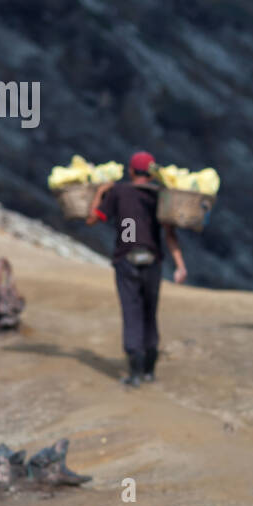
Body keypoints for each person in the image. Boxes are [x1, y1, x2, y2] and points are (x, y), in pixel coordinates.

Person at [87, 151, 188, 386]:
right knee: (150, 313)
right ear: (151, 175)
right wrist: (180, 266)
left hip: (127, 259)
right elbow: (170, 234)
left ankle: (134, 373)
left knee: (131, 311)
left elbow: (93, 218)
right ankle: (150, 371)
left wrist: (101, 192)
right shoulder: (161, 195)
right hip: (153, 260)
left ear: (131, 171)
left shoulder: (119, 192)